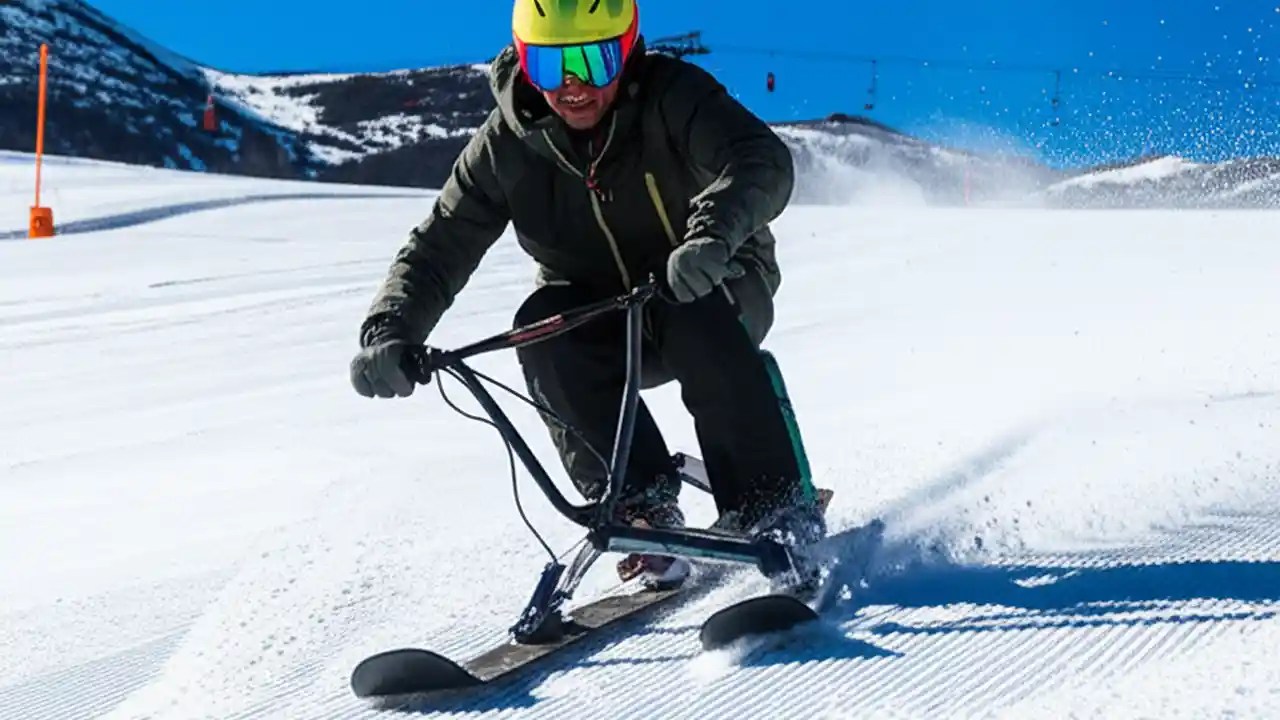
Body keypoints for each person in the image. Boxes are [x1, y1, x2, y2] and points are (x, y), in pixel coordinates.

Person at [350, 0, 825, 589]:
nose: (573, 86)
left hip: (713, 279)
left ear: (626, 51)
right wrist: (390, 330)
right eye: (551, 67)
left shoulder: (672, 97)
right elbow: (440, 243)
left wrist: (713, 237)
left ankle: (772, 508)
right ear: (523, 62)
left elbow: (763, 160)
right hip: (605, 318)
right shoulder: (505, 145)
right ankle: (642, 507)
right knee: (543, 327)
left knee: (688, 312)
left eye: (594, 61)